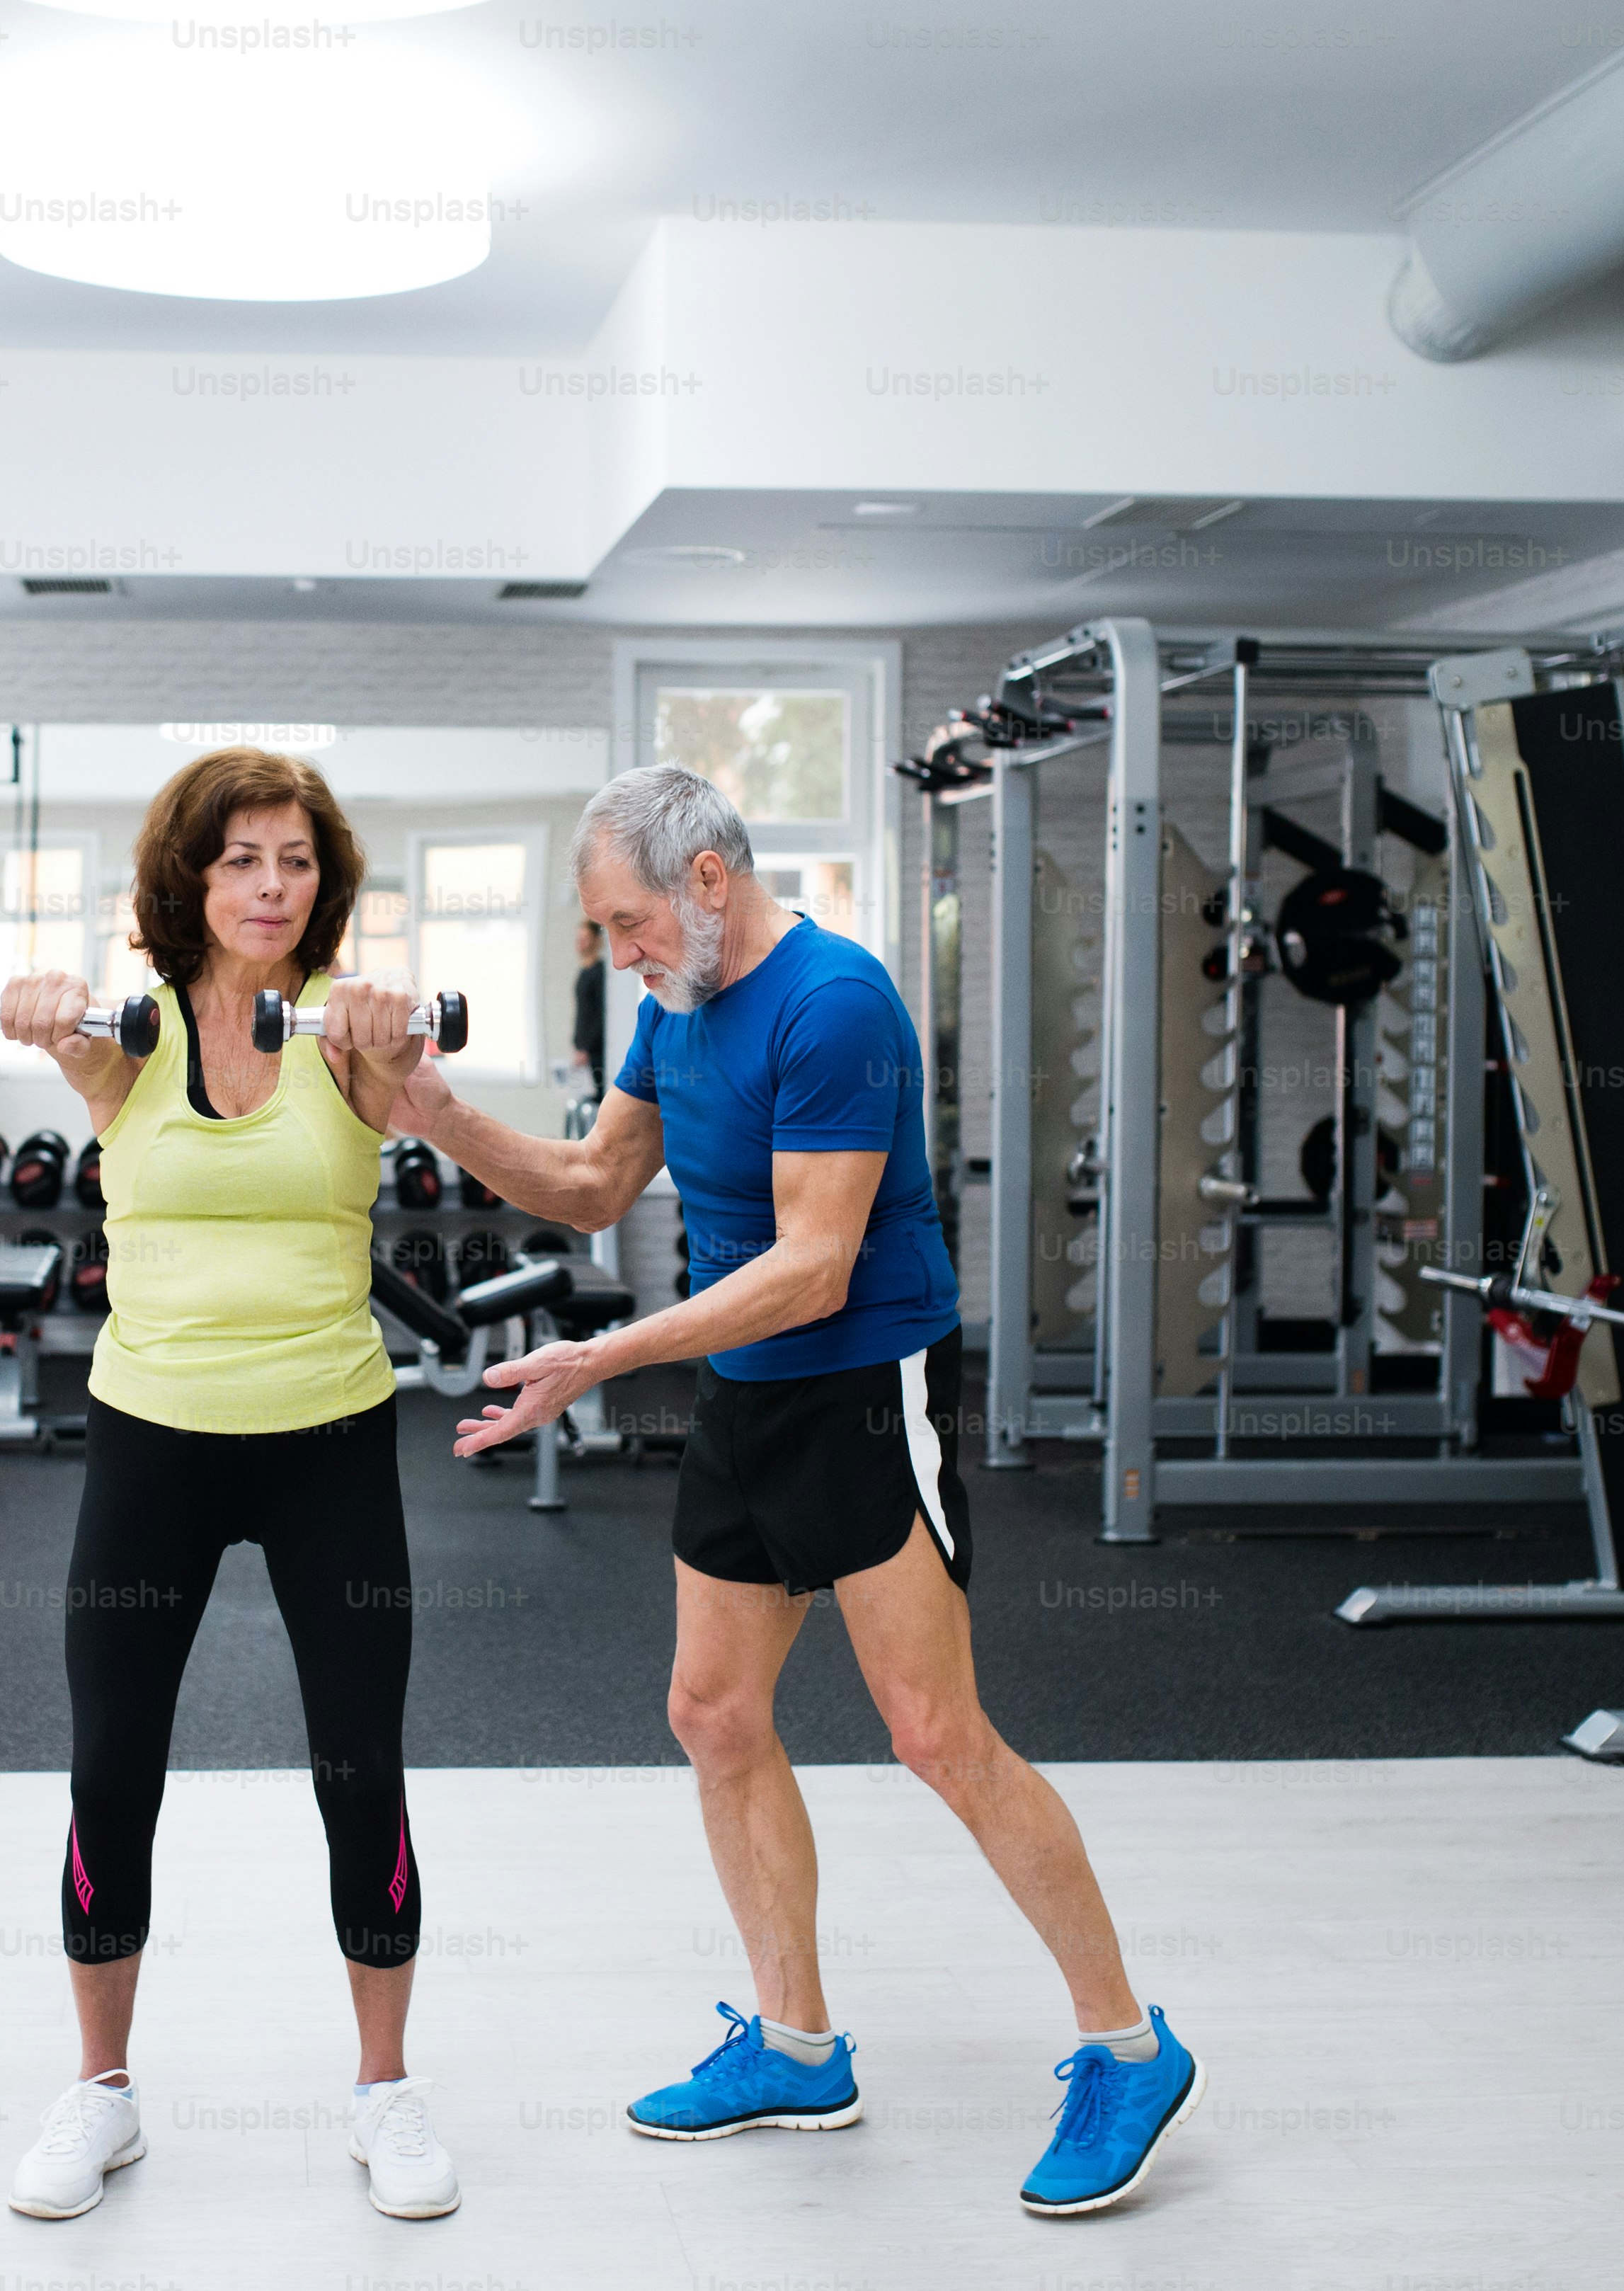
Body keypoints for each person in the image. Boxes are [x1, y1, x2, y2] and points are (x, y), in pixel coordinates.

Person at [389, 762, 1201, 2216]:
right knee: (710, 1711)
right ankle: (794, 2043)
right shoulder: (674, 1005)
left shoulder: (835, 1004)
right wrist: (429, 1109)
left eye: (626, 921)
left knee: (936, 1732)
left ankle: (1124, 2042)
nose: (618, 954)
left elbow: (812, 1264)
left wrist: (606, 1355)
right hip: (743, 1396)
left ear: (706, 880)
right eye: (604, 933)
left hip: (860, 1393)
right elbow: (589, 1184)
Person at [0, 746, 459, 2225]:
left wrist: (398, 1044)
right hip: (152, 1435)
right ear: (189, 875)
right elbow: (65, 1038)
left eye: (297, 859)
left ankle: (384, 2089)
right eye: (243, 856)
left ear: (326, 886)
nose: (271, 883)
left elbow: (421, 1101)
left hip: (329, 1434)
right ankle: (100, 2090)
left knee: (356, 1758)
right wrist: (39, 1013)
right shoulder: (123, 1042)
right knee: (111, 1759)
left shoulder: (349, 1040)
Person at [571, 919, 608, 1100]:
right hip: (583, 1050)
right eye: (579, 938)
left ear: (596, 940)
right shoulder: (583, 972)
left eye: (585, 938)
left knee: (597, 1099)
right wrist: (577, 1044)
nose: (581, 943)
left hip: (595, 1052)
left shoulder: (599, 972)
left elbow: (600, 1014)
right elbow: (582, 1013)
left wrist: (587, 1047)